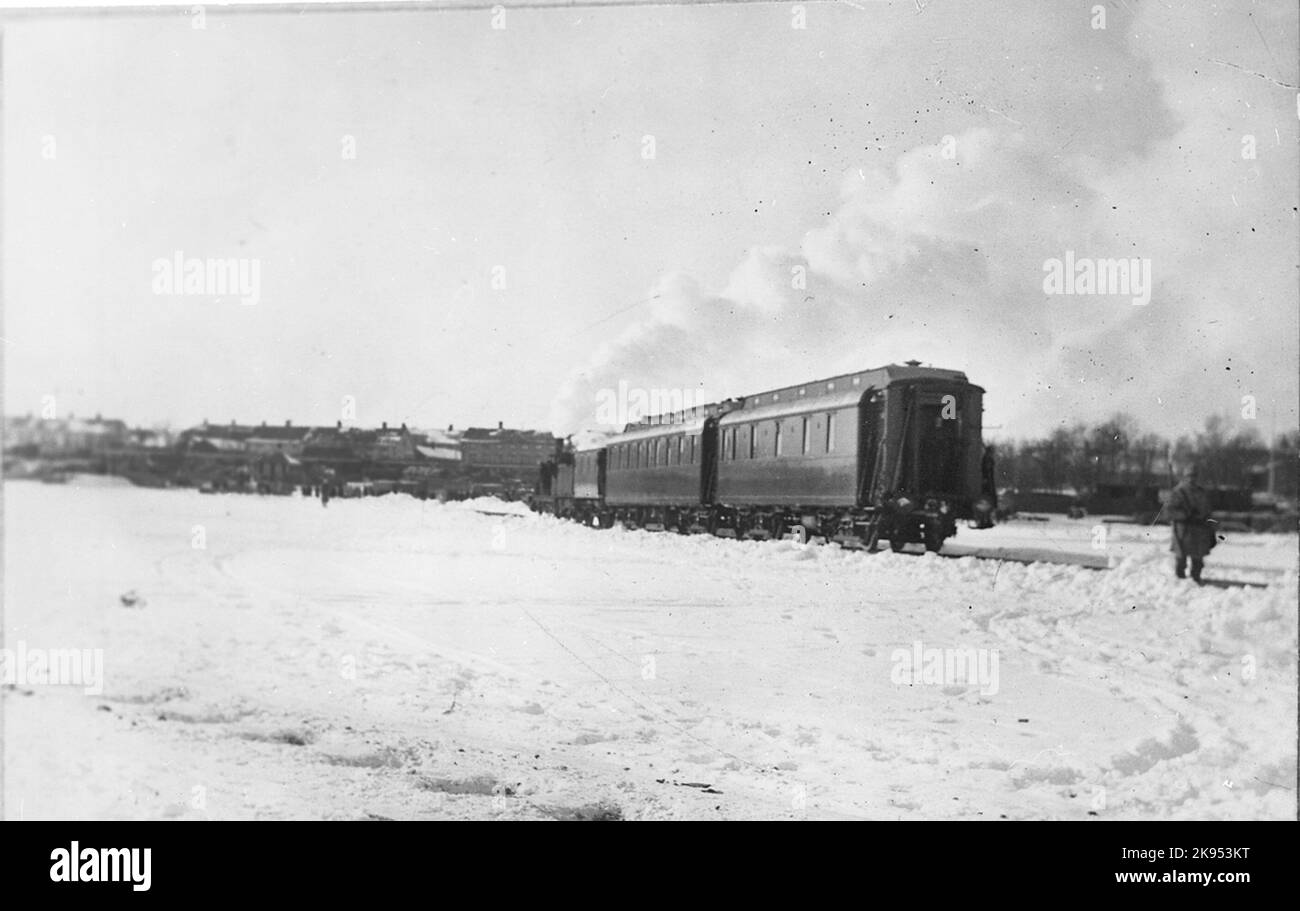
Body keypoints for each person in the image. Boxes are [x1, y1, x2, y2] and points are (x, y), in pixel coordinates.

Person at [1167, 464, 1215, 583]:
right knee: (1181, 559)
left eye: (1194, 476)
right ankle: (1180, 580)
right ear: (1185, 477)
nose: (1192, 478)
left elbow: (1208, 512)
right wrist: (1185, 514)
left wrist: (1211, 530)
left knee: (1198, 559)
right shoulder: (1178, 492)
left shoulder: (1201, 492)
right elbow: (1169, 511)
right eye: (1190, 476)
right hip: (1183, 530)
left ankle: (1196, 579)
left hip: (1199, 530)